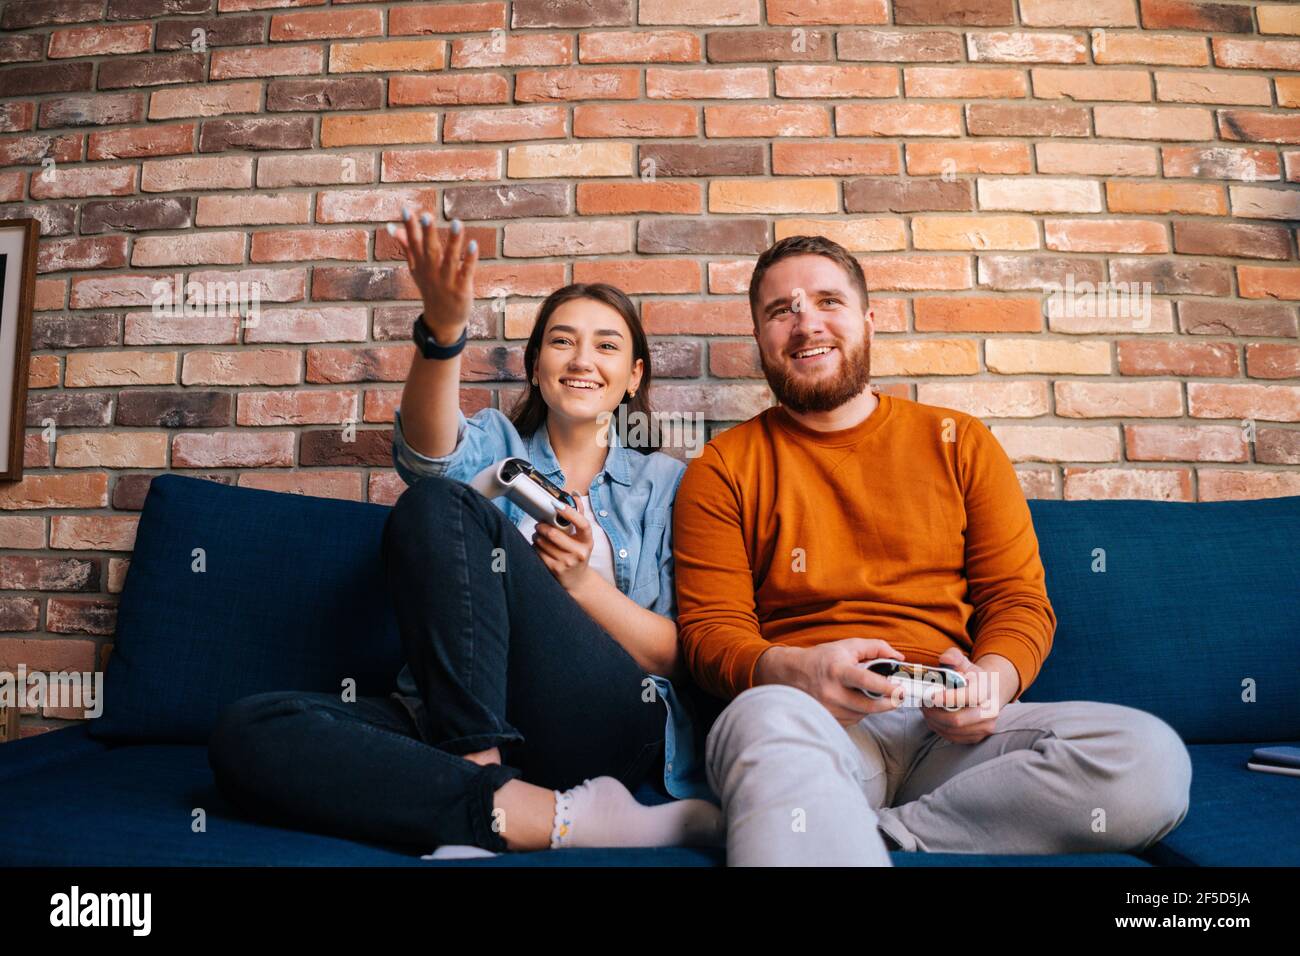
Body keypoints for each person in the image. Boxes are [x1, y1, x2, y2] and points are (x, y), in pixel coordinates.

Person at [209, 208, 719, 857]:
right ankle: (522, 805)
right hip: (446, 716)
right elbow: (426, 454)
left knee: (439, 504)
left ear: (635, 376)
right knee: (249, 731)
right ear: (536, 365)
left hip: (603, 719)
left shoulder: (666, 485)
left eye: (607, 345)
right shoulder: (496, 445)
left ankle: (473, 782)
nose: (582, 359)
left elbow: (677, 656)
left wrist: (581, 585)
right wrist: (443, 334)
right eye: (561, 342)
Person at [672, 234, 1193, 866]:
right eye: (781, 310)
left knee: (1148, 758)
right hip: (813, 724)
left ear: (868, 320)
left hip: (949, 732)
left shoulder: (960, 442)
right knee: (758, 721)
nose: (806, 322)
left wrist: (992, 687)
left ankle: (879, 834)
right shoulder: (722, 468)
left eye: (828, 301)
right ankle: (827, 816)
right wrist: (797, 672)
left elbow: (1018, 601)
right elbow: (710, 637)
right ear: (759, 336)